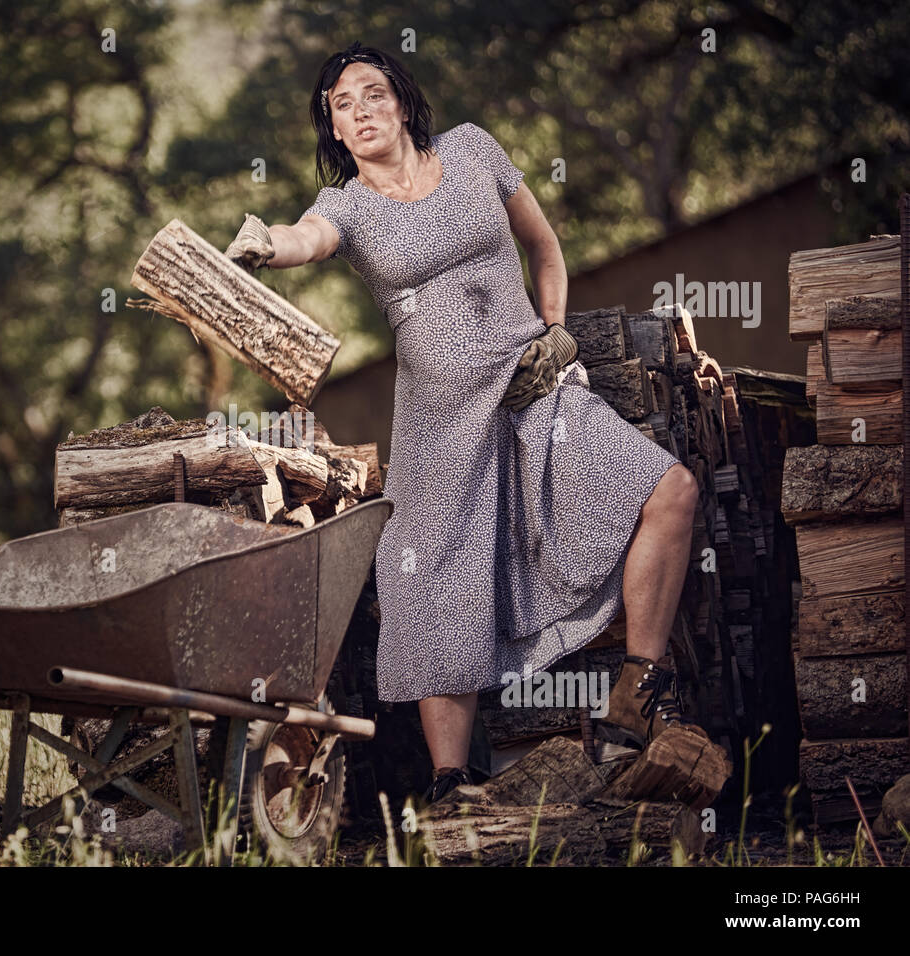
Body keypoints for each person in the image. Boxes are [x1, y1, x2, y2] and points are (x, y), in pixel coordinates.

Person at [224, 42, 706, 808]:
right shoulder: (345, 204)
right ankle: (454, 782)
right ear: (337, 134)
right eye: (343, 106)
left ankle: (636, 695)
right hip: (439, 423)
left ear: (404, 102)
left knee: (669, 490)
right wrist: (265, 243)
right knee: (432, 581)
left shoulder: (473, 148)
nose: (361, 111)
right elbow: (304, 239)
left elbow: (544, 245)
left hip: (531, 388)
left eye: (373, 93)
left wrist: (554, 332)